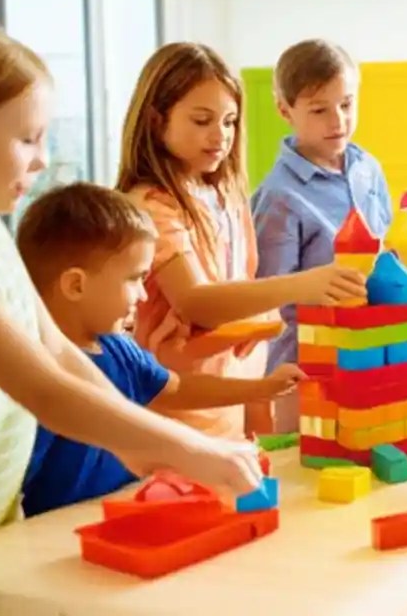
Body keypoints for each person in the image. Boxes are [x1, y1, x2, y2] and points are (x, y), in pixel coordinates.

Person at [0, 24, 260, 543]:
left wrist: (144, 444)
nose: (42, 158)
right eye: (26, 138)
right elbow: (44, 390)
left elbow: (56, 352)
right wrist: (189, 447)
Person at [116, 42, 366, 439]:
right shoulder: (150, 205)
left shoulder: (226, 194)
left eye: (230, 122)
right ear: (154, 120)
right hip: (171, 422)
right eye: (202, 120)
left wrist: (255, 408)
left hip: (229, 411)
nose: (220, 135)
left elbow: (240, 300)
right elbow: (199, 303)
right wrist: (306, 284)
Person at [16, 183, 304, 516]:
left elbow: (178, 388)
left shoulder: (119, 350)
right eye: (134, 279)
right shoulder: (33, 373)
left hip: (126, 507)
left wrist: (260, 388)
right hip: (55, 528)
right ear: (76, 285)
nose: (142, 295)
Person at [251, 39, 392, 432]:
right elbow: (271, 297)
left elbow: (384, 250)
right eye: (319, 109)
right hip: (305, 368)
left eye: (347, 104)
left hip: (369, 349)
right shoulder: (279, 197)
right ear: (285, 110)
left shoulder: (368, 169)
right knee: (304, 469)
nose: (338, 121)